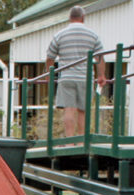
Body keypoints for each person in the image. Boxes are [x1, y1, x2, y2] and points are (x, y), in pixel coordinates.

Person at [45, 6, 107, 138]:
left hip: (66, 77)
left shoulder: (60, 35)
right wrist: (101, 75)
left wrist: (49, 74)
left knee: (69, 109)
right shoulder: (93, 35)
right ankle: (80, 140)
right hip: (85, 77)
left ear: (70, 18)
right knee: (83, 110)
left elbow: (50, 57)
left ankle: (69, 140)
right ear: (83, 18)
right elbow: (100, 57)